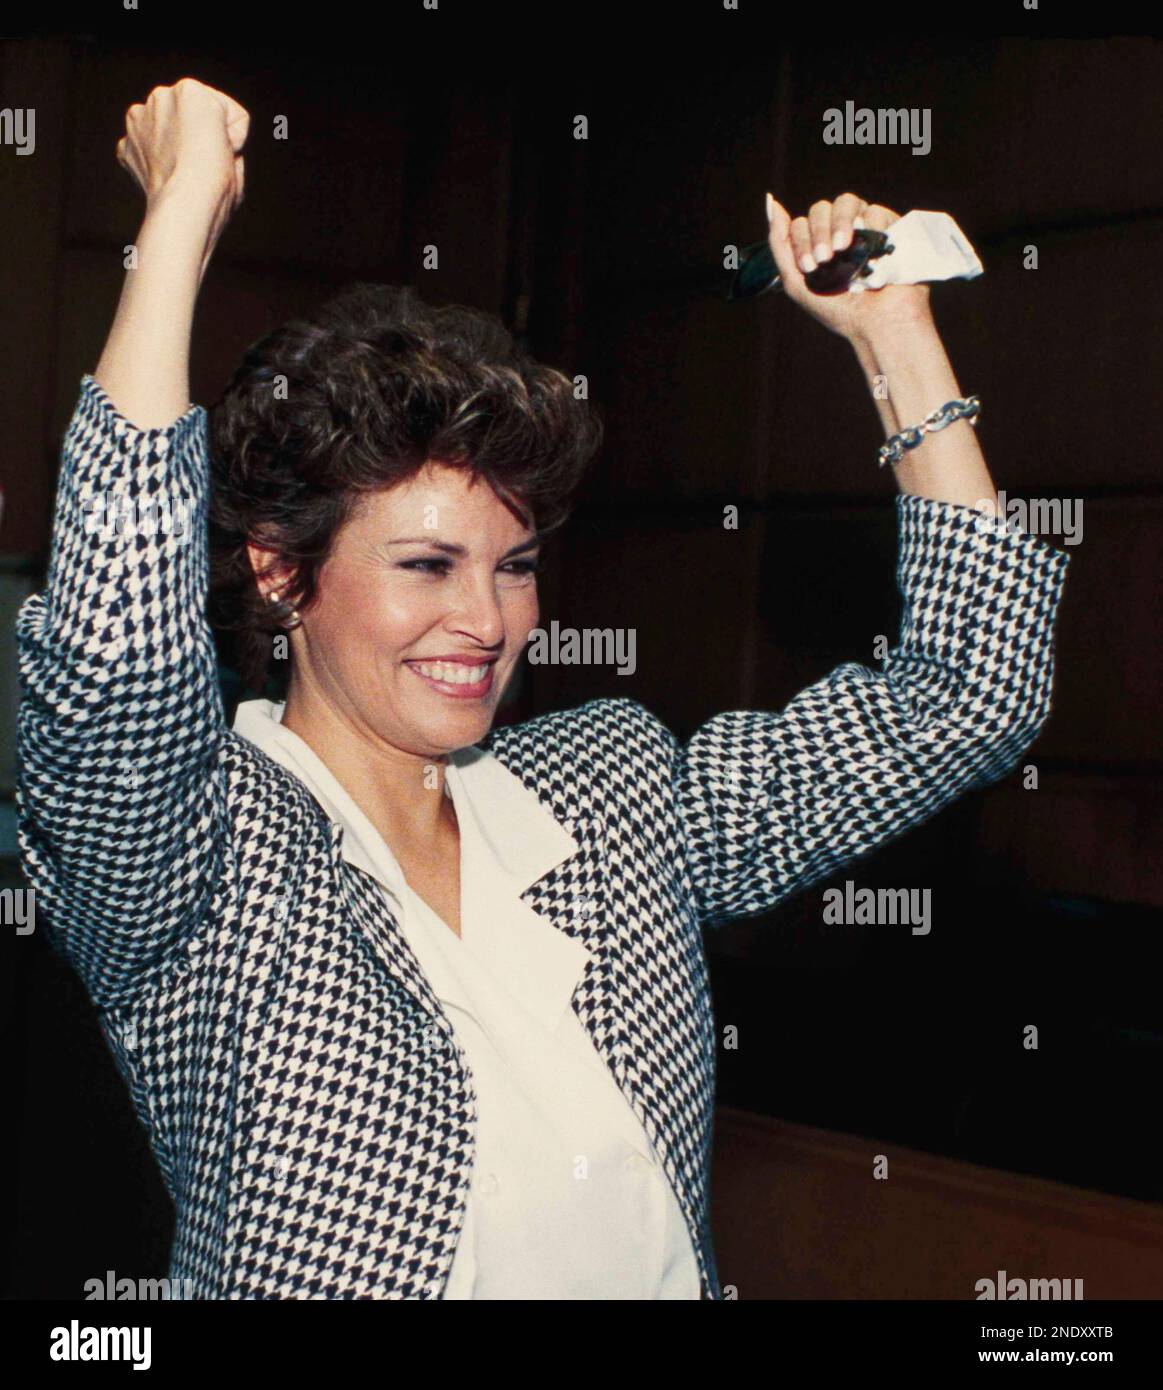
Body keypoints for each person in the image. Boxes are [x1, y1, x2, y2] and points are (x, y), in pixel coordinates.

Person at [16, 78, 1070, 1300]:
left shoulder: (609, 789)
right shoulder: (191, 853)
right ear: (280, 573)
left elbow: (970, 690)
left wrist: (895, 336)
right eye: (425, 565)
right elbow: (107, 665)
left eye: (512, 565)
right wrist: (182, 219)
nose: (488, 618)